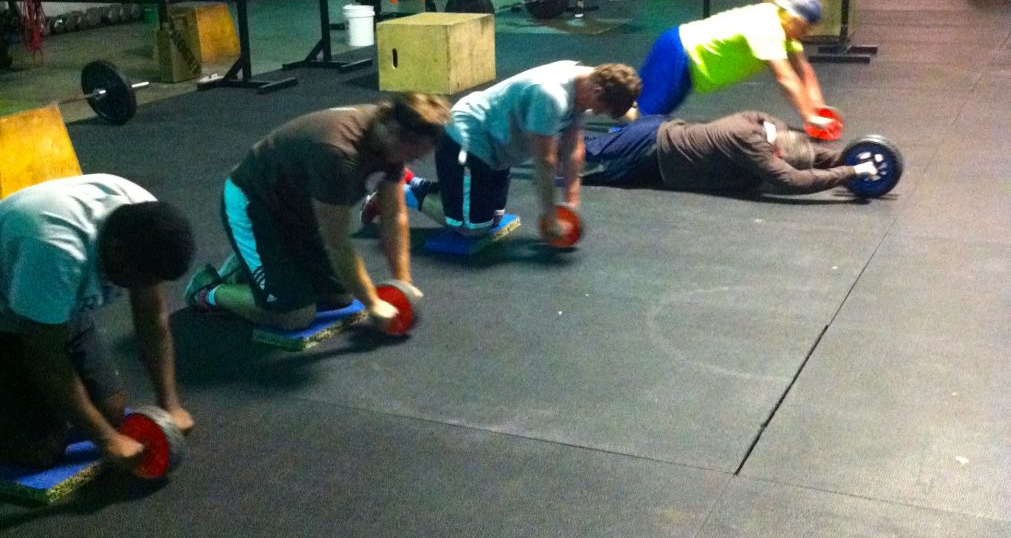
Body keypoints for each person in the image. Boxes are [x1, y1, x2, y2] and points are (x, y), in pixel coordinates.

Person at [185, 93, 450, 333]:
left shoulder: (390, 139)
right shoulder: (338, 152)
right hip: (254, 206)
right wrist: (372, 303)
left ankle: (258, 265)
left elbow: (394, 218)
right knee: (294, 315)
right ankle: (209, 291)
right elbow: (338, 243)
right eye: (412, 154)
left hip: (303, 212)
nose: (410, 161)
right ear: (395, 130)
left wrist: (402, 285)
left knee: (341, 295)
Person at [0, 174, 195, 470]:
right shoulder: (56, 251)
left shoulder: (146, 221)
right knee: (39, 451)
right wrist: (106, 440)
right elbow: (46, 357)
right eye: (144, 280)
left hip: (57, 306)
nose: (146, 287)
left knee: (112, 414)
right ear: (117, 252)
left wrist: (170, 404)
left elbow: (152, 319)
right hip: (7, 315)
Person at [363, 62, 642, 239]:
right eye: (600, 107)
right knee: (471, 228)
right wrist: (551, 218)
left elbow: (572, 151)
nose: (596, 113)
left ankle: (427, 184)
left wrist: (570, 204)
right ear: (596, 90)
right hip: (466, 141)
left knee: (493, 219)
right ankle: (404, 191)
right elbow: (545, 164)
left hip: (497, 149)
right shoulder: (551, 96)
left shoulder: (586, 81)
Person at [633, 0, 834, 132]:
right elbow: (785, 78)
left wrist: (819, 108)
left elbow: (804, 70)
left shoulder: (787, 28)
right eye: (805, 28)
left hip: (689, 63)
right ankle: (608, 150)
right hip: (678, 53)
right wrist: (809, 117)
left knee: (652, 119)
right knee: (643, 117)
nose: (805, 35)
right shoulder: (767, 27)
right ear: (794, 19)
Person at [582, 111, 881, 196]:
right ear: (775, 153)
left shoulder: (765, 125)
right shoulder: (749, 144)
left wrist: (847, 157)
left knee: (593, 177)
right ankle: (541, 139)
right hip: (651, 146)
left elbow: (804, 151)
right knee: (585, 154)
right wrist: (851, 172)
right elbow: (793, 180)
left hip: (662, 148)